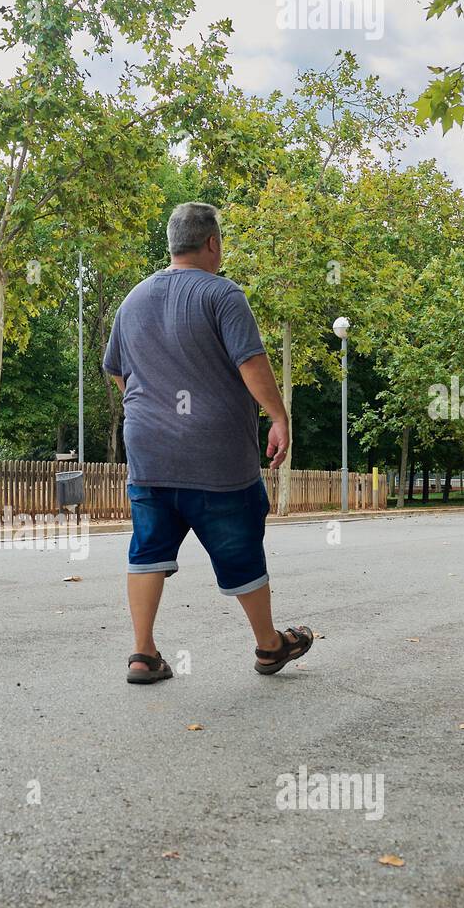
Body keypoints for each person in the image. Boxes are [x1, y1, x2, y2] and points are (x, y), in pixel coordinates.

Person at [102, 201, 313, 684]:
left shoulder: (132, 300)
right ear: (213, 243)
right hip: (215, 454)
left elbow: (116, 370)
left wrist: (151, 404)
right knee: (239, 544)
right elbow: (252, 363)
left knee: (148, 549)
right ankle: (268, 646)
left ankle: (142, 654)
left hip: (150, 454)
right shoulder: (223, 294)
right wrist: (278, 416)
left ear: (173, 244)